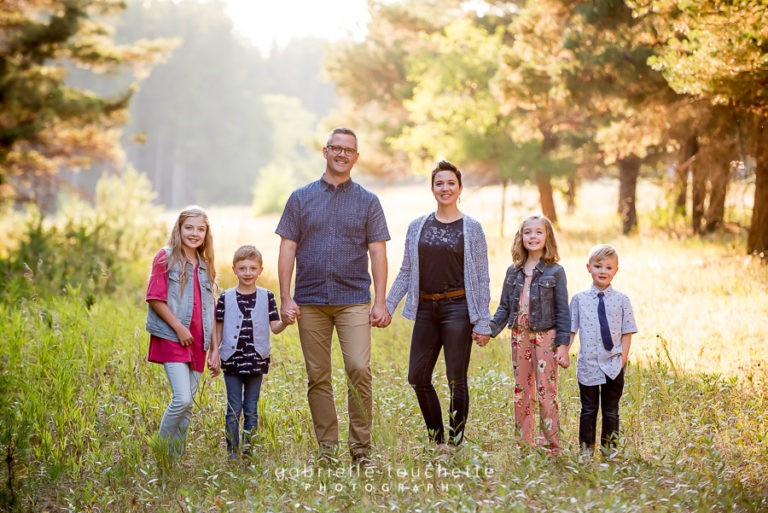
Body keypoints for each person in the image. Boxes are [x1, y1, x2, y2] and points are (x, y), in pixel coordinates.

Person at [275, 127, 391, 466]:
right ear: (325, 152)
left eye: (348, 150)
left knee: (358, 368)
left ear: (356, 157)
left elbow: (378, 253)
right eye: (335, 148)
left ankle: (361, 449)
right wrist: (285, 297)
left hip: (353, 298)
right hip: (309, 301)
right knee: (318, 376)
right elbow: (287, 248)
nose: (341, 154)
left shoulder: (369, 201)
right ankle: (327, 449)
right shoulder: (300, 198)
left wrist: (380, 300)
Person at [386, 160, 491, 450]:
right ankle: (437, 442)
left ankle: (455, 444)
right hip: (425, 310)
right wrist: (387, 305)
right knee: (417, 376)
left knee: (456, 379)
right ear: (432, 189)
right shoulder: (417, 226)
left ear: (459, 189)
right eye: (439, 183)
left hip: (458, 309)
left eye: (450, 183)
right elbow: (406, 271)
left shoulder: (472, 228)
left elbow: (482, 278)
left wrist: (483, 321)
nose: (445, 188)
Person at [486, 214, 570, 453]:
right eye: (527, 232)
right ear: (520, 238)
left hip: (546, 337)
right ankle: (524, 443)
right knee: (522, 389)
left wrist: (563, 345)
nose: (533, 237)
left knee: (546, 391)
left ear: (547, 237)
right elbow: (504, 307)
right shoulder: (513, 272)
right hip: (519, 335)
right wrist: (488, 330)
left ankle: (551, 445)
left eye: (538, 232)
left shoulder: (555, 272)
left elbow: (563, 311)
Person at [145, 206, 217, 458]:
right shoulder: (165, 257)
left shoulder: (206, 265)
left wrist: (214, 350)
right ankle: (160, 451)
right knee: (182, 399)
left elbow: (211, 308)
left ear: (206, 233)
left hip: (199, 342)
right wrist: (179, 328)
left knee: (188, 408)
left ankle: (174, 458)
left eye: (200, 229)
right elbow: (154, 298)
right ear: (179, 228)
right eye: (189, 227)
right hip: (173, 338)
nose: (194, 233)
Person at [206, 245, 289, 459]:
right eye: (243, 268)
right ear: (234, 269)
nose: (248, 273)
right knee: (233, 407)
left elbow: (275, 327)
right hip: (232, 362)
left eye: (253, 268)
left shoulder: (267, 296)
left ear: (260, 270)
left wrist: (286, 322)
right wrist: (214, 353)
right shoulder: (225, 297)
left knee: (251, 408)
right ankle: (232, 452)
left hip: (256, 362)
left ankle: (248, 451)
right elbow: (218, 327)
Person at [560, 244, 637, 462]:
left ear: (616, 271)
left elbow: (627, 332)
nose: (603, 271)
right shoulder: (579, 299)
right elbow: (571, 330)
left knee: (611, 410)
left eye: (608, 267)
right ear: (588, 268)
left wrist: (623, 359)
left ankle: (609, 450)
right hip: (589, 364)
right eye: (598, 266)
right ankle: (586, 450)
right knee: (588, 410)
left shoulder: (622, 300)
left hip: (614, 364)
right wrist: (564, 350)